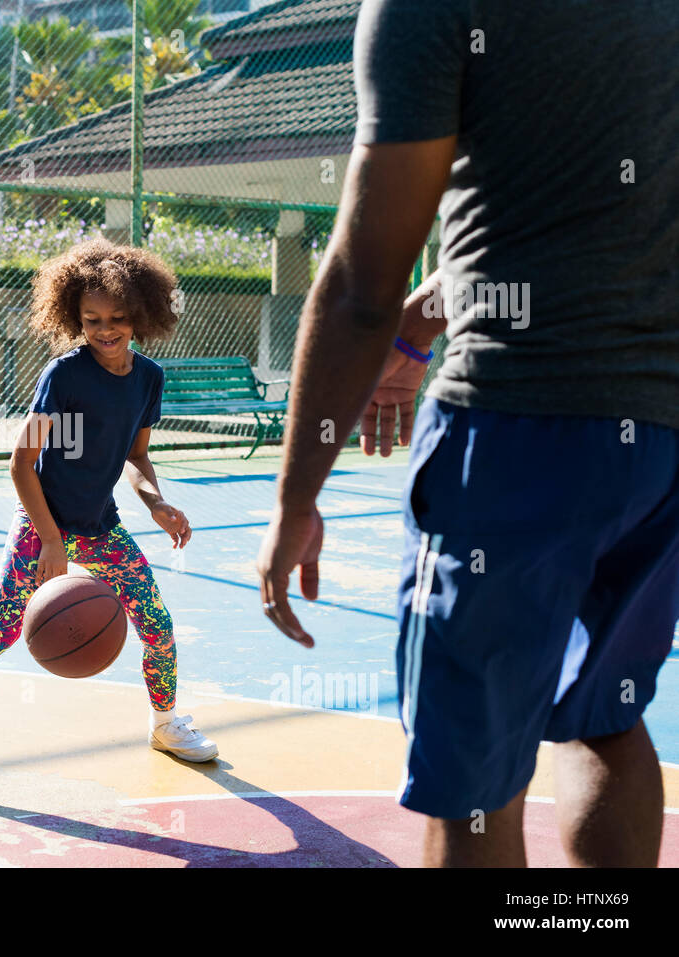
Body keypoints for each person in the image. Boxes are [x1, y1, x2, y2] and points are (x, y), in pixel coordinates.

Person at [255, 0, 679, 866]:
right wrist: (426, 318)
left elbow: (360, 282)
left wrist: (296, 496)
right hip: (665, 435)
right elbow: (591, 211)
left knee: (475, 783)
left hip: (516, 425)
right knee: (607, 716)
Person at [0, 238, 216, 794]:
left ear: (142, 315)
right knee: (2, 630)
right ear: (73, 317)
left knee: (157, 626)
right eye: (91, 319)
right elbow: (21, 463)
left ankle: (165, 725)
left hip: (100, 525)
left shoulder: (149, 378)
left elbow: (135, 455)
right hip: (43, 523)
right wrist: (52, 541)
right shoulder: (63, 375)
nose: (105, 329)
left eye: (118, 318)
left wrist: (156, 501)